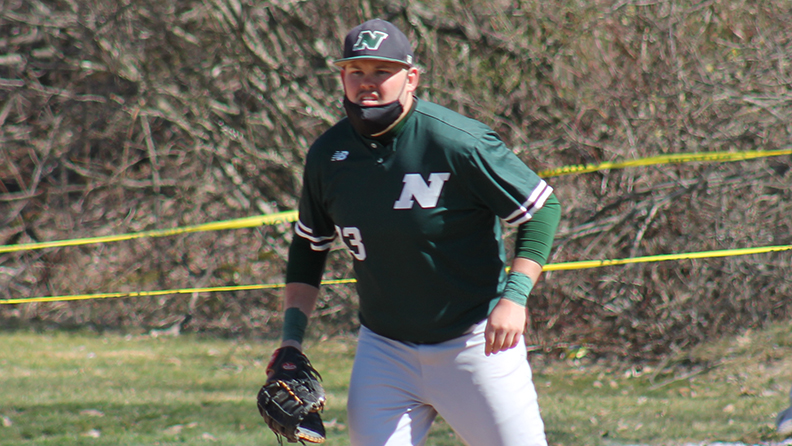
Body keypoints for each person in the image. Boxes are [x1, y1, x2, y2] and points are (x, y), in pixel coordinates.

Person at [277, 18, 561, 446]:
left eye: (381, 72)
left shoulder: (457, 142)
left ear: (411, 79)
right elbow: (309, 247)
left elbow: (540, 209)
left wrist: (515, 297)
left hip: (475, 344)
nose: (367, 84)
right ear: (341, 76)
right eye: (356, 71)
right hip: (385, 351)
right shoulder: (328, 156)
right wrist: (291, 341)